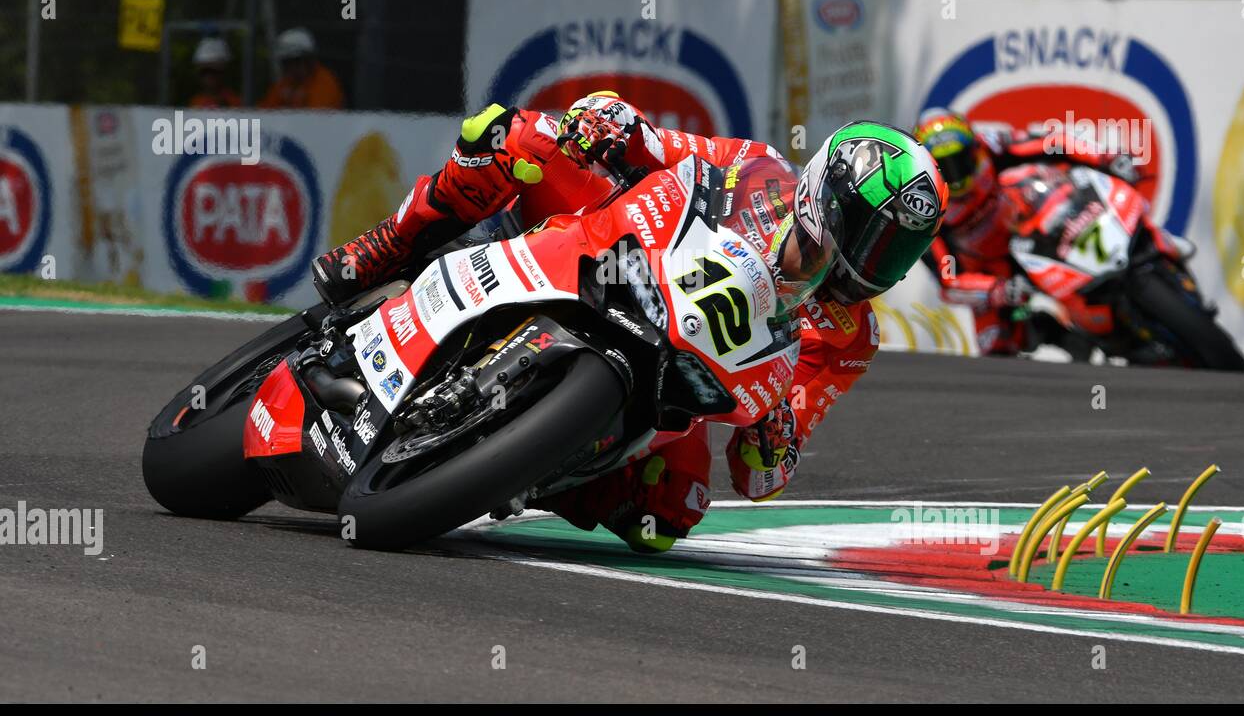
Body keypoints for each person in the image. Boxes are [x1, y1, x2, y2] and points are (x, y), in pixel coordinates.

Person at [313, 94, 947, 550]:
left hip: (678, 377)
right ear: (824, 197)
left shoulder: (850, 337)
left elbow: (758, 475)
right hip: (620, 256)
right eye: (874, 235)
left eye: (898, 249)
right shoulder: (760, 170)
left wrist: (779, 430)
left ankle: (518, 469)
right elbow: (661, 146)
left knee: (672, 513)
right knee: (516, 138)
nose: (878, 261)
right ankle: (392, 243)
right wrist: (609, 121)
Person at [912, 107, 1142, 355]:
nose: (957, 176)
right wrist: (997, 289)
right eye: (946, 167)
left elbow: (1053, 143)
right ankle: (1048, 331)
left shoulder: (992, 144)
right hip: (993, 269)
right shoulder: (925, 205)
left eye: (961, 160)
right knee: (994, 346)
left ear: (974, 148)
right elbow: (949, 281)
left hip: (1034, 233)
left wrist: (1104, 158)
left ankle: (1151, 256)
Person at [259, 28, 346, 110]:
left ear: (307, 60)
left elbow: (315, 121)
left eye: (292, 61)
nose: (288, 68)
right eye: (285, 63)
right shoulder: (287, 82)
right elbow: (265, 111)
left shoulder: (324, 83)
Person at [188, 37, 240, 109]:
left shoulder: (234, 102)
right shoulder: (196, 102)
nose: (209, 76)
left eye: (214, 71)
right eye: (205, 71)